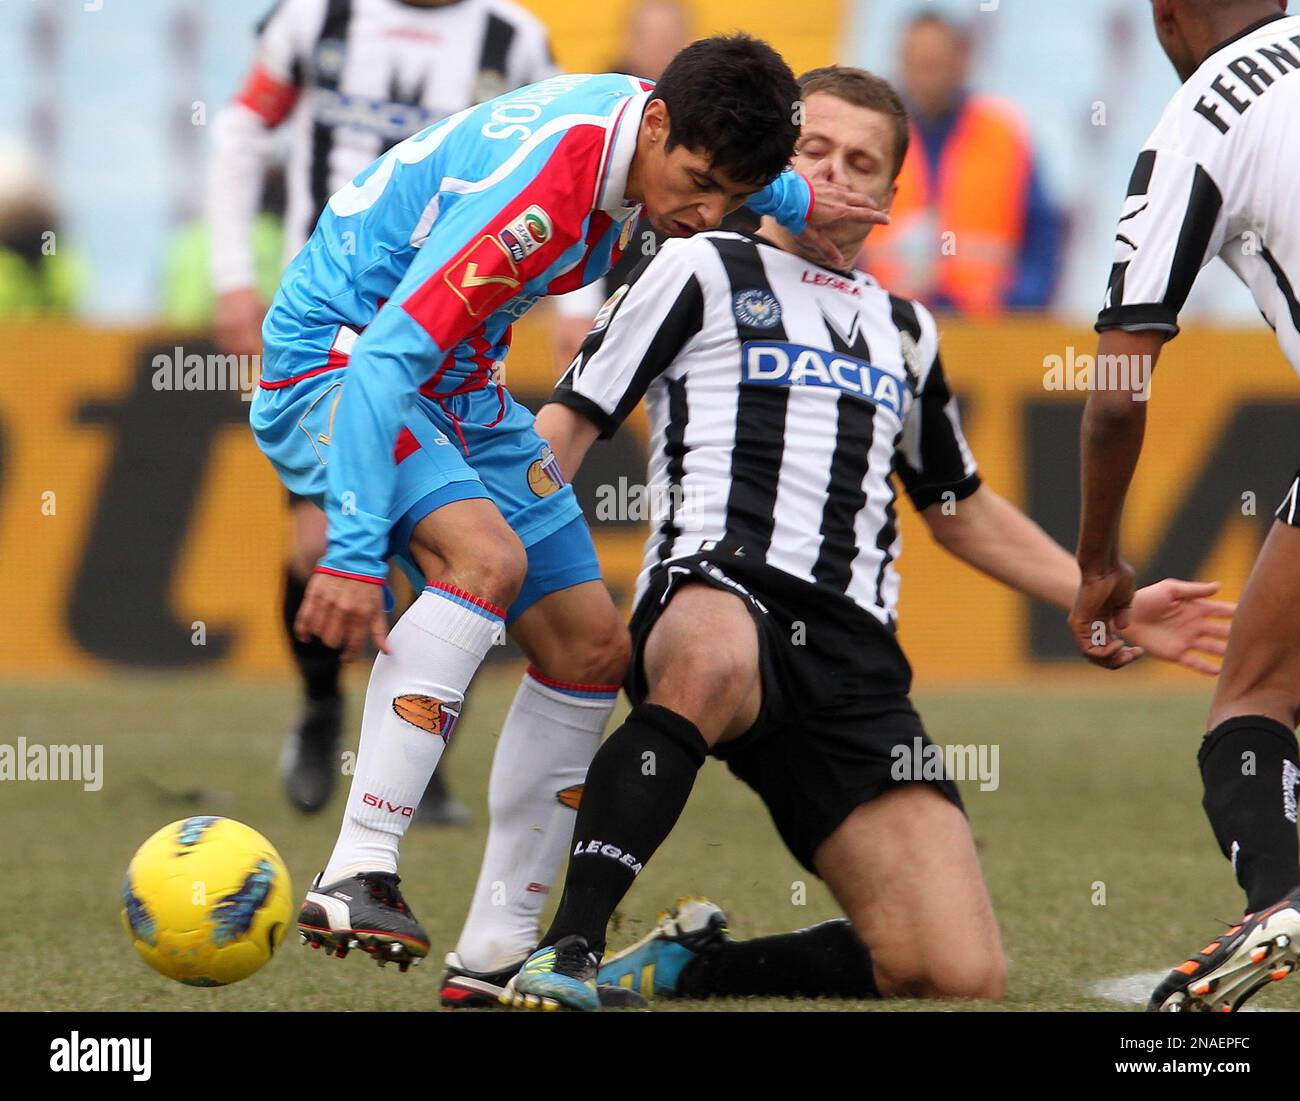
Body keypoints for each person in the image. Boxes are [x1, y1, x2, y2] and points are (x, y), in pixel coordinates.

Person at [499, 64, 1234, 1011]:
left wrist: (1098, 594)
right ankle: (565, 951)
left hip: (852, 655)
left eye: (862, 163)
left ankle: (693, 965)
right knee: (713, 660)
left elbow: (958, 506)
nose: (836, 174)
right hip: (717, 592)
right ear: (772, 160)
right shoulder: (697, 265)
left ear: (891, 198)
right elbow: (569, 423)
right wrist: (480, 541)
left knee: (957, 973)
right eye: (813, 150)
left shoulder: (907, 329)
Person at [249, 35, 884, 978]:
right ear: (656, 124)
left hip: (459, 385)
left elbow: (744, 183)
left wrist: (806, 200)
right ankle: (357, 871)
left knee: (593, 646)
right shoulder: (546, 194)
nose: (706, 214)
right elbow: (385, 358)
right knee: (487, 561)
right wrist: (349, 554)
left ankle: (498, 955)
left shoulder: (674, 129)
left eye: (731, 196)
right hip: (342, 362)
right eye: (698, 183)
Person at [209, 0, 558, 818]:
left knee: (452, 551)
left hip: (452, 335)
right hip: (328, 330)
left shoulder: (516, 39)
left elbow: (576, 175)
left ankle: (416, 755)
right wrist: (232, 272)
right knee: (321, 545)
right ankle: (322, 699)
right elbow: (239, 131)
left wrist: (581, 308)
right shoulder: (313, 18)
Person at [1069, 0, 1300, 1014]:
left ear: (1167, 15)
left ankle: (1280, 902)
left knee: (1253, 701)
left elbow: (1119, 391)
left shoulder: (1203, 114)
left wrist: (1097, 563)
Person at [857, 12, 1062, 316]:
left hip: (985, 327)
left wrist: (1020, 304)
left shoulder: (1003, 135)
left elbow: (1043, 233)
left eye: (936, 63)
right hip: (886, 318)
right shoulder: (872, 135)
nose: (928, 75)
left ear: (963, 61)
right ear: (901, 63)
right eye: (919, 63)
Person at [549, 0, 696, 375]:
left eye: (671, 38)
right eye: (653, 37)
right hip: (607, 281)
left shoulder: (704, 114)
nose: (663, 48)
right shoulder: (602, 109)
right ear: (630, 41)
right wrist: (576, 307)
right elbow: (571, 207)